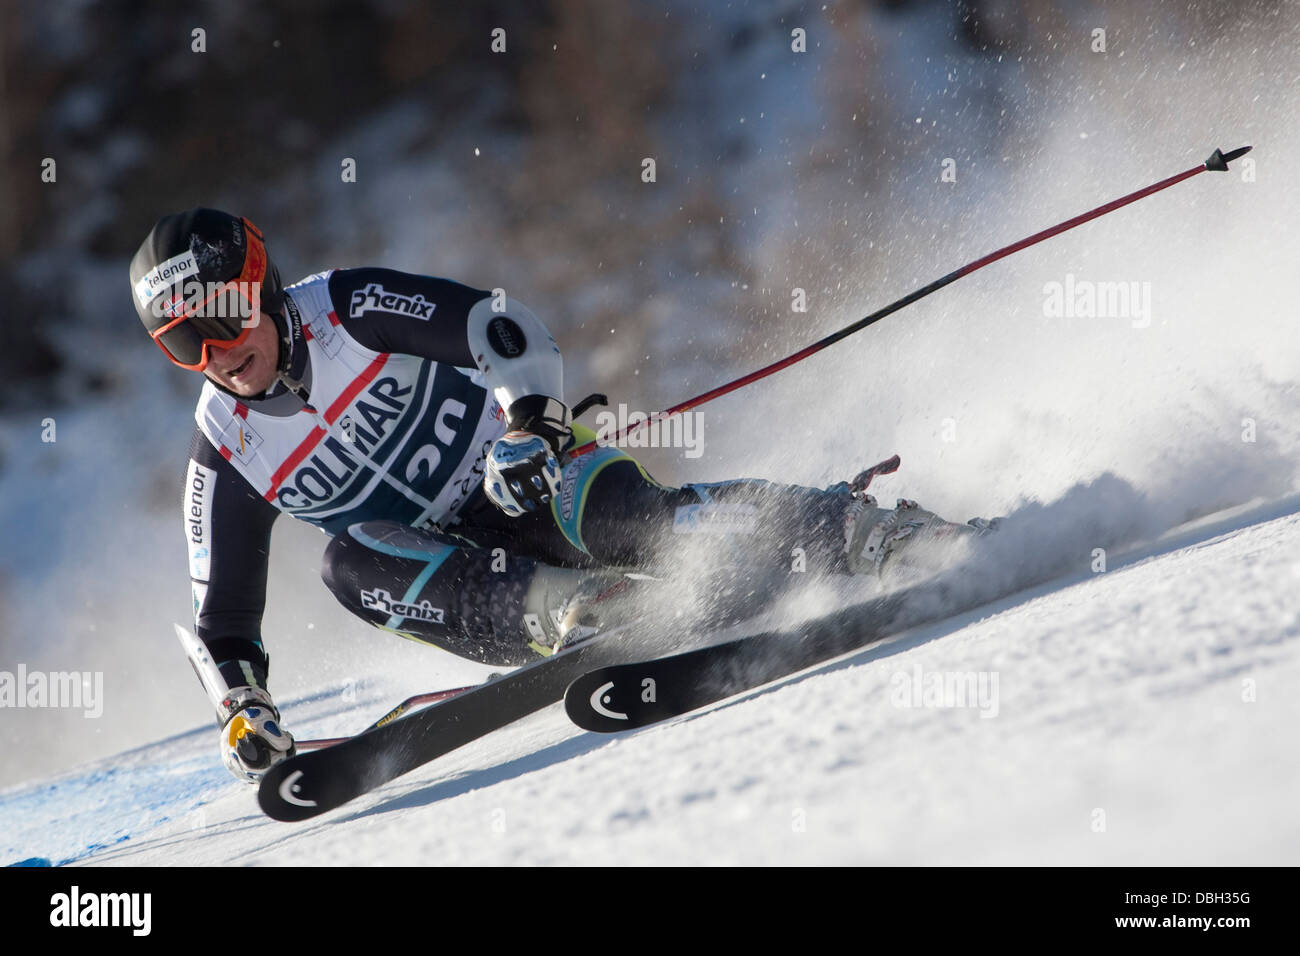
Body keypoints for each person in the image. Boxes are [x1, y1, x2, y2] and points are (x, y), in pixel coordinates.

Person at [130, 208, 984, 783]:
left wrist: (530, 424)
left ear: (264, 284)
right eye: (183, 343)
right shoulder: (228, 449)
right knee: (344, 561)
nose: (217, 352)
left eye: (226, 318)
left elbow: (498, 326)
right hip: (477, 590)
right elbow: (224, 623)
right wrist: (243, 711)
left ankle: (856, 530)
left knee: (636, 519)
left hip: (534, 487)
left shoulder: (345, 309)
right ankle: (591, 612)